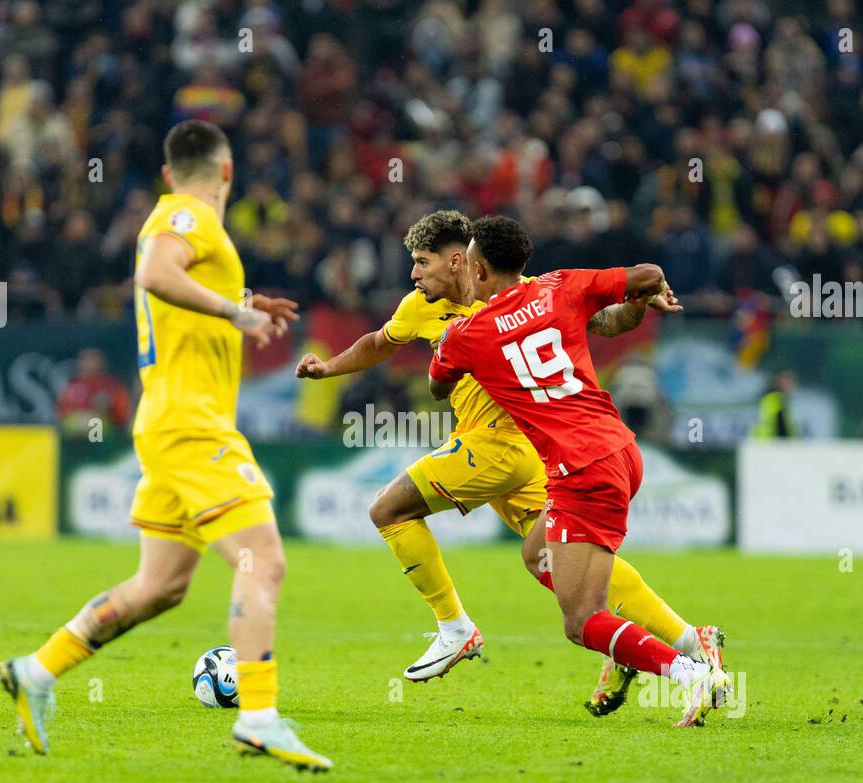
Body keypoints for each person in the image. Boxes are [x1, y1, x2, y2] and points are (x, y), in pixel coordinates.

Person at [0, 120, 331, 770]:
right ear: (227, 173)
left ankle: (36, 671)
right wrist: (237, 312)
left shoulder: (175, 218)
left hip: (168, 421)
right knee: (262, 561)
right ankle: (259, 717)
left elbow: (172, 289)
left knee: (160, 586)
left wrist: (242, 300)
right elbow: (154, 275)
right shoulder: (187, 217)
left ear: (169, 169)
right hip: (192, 424)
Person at [296, 211, 724, 692]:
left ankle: (454, 628)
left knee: (388, 509)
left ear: (463, 262)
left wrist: (635, 304)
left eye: (422, 262)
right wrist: (328, 368)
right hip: (549, 454)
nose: (414, 275)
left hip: (500, 446)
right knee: (550, 558)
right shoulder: (426, 306)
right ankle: (687, 639)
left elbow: (607, 323)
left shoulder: (520, 294)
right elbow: (379, 342)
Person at [428, 215, 728, 727]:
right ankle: (649, 644)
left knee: (580, 621)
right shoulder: (560, 285)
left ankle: (691, 672)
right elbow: (649, 274)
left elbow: (439, 385)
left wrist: (452, 341)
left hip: (580, 470)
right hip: (620, 451)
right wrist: (645, 296)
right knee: (536, 552)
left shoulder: (467, 334)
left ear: (477, 270)